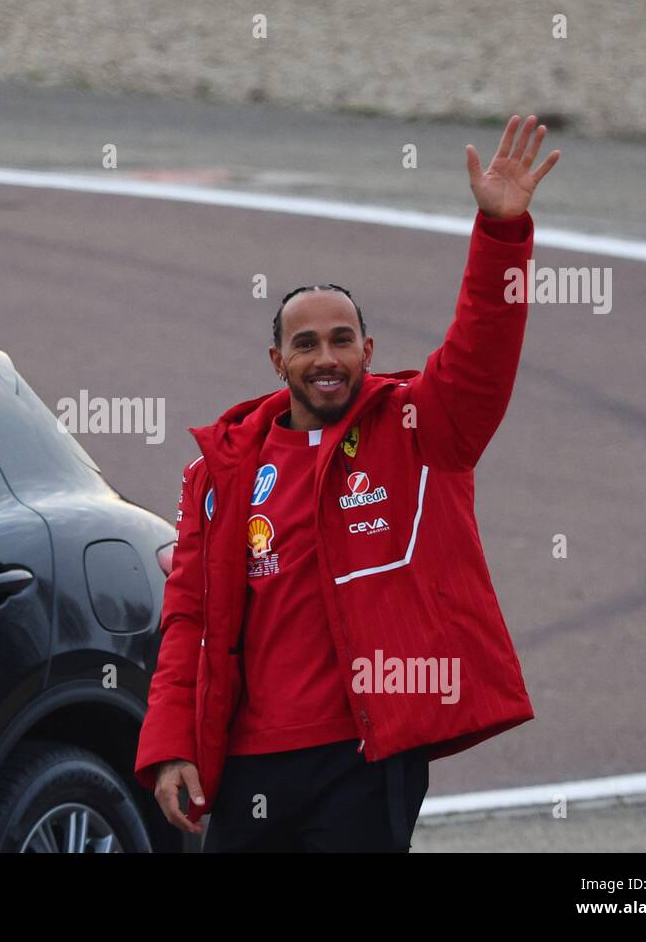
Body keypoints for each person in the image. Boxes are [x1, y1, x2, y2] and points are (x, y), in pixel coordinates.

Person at [133, 115, 560, 852]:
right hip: (247, 761)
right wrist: (171, 740)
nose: (325, 357)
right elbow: (188, 621)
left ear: (368, 350)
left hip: (365, 755)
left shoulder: (421, 427)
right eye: (305, 343)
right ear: (277, 361)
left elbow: (482, 351)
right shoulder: (221, 469)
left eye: (341, 340)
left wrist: (501, 234)